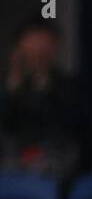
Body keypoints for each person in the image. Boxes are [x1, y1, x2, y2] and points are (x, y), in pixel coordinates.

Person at [0, 20, 83, 182]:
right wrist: (11, 87)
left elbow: (70, 128)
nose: (36, 50)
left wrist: (42, 83)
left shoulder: (67, 86)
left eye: (42, 44)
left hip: (53, 159)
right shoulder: (10, 87)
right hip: (14, 159)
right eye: (31, 42)